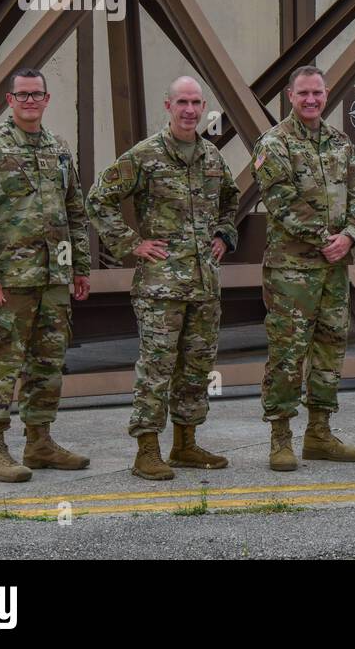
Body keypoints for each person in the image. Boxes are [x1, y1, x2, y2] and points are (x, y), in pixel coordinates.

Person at [87, 76, 240, 480]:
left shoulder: (211, 157)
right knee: (157, 368)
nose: (189, 110)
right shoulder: (144, 156)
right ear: (167, 106)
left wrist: (225, 234)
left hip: (204, 284)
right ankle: (147, 449)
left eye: (195, 103)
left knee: (196, 367)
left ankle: (185, 444)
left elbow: (231, 199)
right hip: (161, 287)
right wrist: (130, 243)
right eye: (182, 103)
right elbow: (98, 199)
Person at [0, 68, 91, 482]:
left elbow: (74, 214)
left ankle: (40, 441)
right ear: (10, 100)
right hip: (8, 283)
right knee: (0, 366)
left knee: (47, 365)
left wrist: (78, 268)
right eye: (23, 95)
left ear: (47, 100)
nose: (31, 101)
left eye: (38, 95)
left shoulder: (58, 148)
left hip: (52, 282)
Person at [251, 65, 355, 469]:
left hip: (335, 269)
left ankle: (319, 432)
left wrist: (350, 236)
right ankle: (280, 436)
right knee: (287, 352)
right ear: (290, 95)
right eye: (303, 93)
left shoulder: (341, 143)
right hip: (291, 272)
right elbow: (281, 201)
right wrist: (327, 239)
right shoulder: (274, 143)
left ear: (327, 93)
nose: (311, 100)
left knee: (331, 347)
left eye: (317, 93)